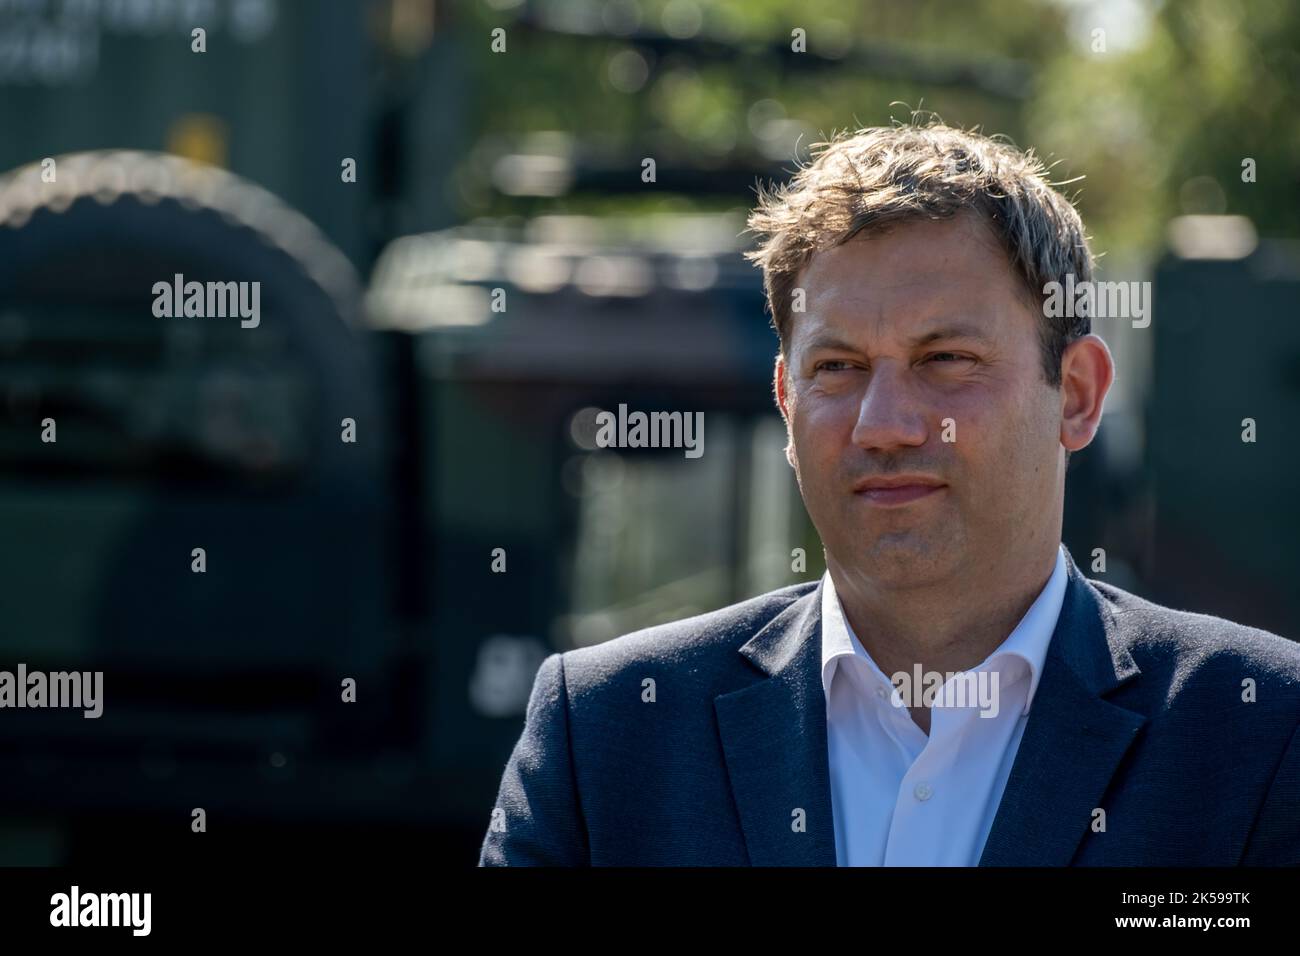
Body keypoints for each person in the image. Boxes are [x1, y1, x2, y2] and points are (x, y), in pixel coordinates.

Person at [478, 122, 1300, 866]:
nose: (885, 424)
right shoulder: (608, 737)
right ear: (788, 401)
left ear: (1077, 395)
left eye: (945, 360)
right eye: (837, 368)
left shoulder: (1257, 734)